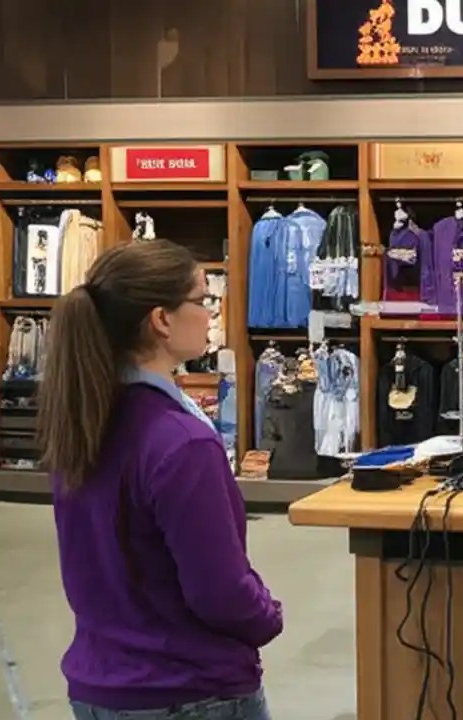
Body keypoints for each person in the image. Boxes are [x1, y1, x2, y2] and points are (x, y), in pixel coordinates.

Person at [39, 241, 282, 720]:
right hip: (188, 691)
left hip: (101, 687)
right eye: (202, 299)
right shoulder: (182, 443)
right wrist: (267, 614)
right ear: (162, 319)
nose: (211, 312)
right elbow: (219, 591)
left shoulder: (83, 422)